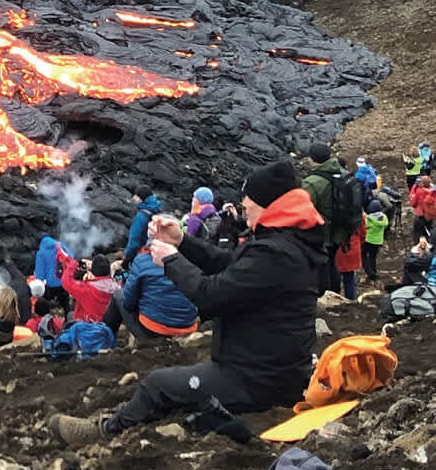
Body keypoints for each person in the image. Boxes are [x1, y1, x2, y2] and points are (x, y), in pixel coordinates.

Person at [48, 158, 324, 447]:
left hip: (258, 380)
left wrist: (170, 260)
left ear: (269, 205)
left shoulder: (276, 254)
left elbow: (209, 296)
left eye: (248, 206)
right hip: (277, 369)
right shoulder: (286, 244)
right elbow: (227, 263)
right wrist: (181, 242)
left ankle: (104, 431)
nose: (244, 211)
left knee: (158, 384)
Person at [104, 245, 198, 345]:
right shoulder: (191, 257)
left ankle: (104, 341)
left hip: (152, 332)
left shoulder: (143, 260)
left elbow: (128, 303)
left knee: (118, 294)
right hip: (188, 327)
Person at [301, 141, 348, 291]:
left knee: (322, 263)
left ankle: (325, 294)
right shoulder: (343, 173)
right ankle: (335, 291)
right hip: (340, 228)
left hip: (321, 231)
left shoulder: (312, 182)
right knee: (332, 261)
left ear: (312, 159)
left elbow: (303, 208)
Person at [56, 252, 120, 323]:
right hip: (110, 325)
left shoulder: (86, 288)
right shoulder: (117, 287)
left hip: (88, 325)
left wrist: (72, 265)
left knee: (70, 315)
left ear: (93, 271)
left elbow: (66, 282)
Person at [123, 186, 162, 266]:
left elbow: (134, 239)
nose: (134, 197)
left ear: (142, 198)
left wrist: (127, 258)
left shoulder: (141, 216)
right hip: (154, 251)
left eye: (136, 196)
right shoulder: (157, 208)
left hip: (142, 253)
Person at [335, 216, 365, 300]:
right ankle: (351, 300)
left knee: (333, 276)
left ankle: (334, 300)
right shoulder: (357, 211)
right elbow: (363, 232)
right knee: (350, 279)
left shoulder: (332, 209)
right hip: (352, 247)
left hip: (336, 248)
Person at [363, 198, 389, 280]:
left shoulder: (368, 218)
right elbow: (386, 225)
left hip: (368, 240)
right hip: (378, 241)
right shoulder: (384, 217)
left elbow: (364, 227)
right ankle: (374, 271)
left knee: (364, 255)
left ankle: (369, 272)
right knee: (373, 257)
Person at [409, 175, 436, 243]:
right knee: (429, 229)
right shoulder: (434, 190)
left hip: (421, 214)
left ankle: (418, 245)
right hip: (431, 215)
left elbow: (413, 203)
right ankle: (429, 243)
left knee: (418, 231)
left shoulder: (419, 191)